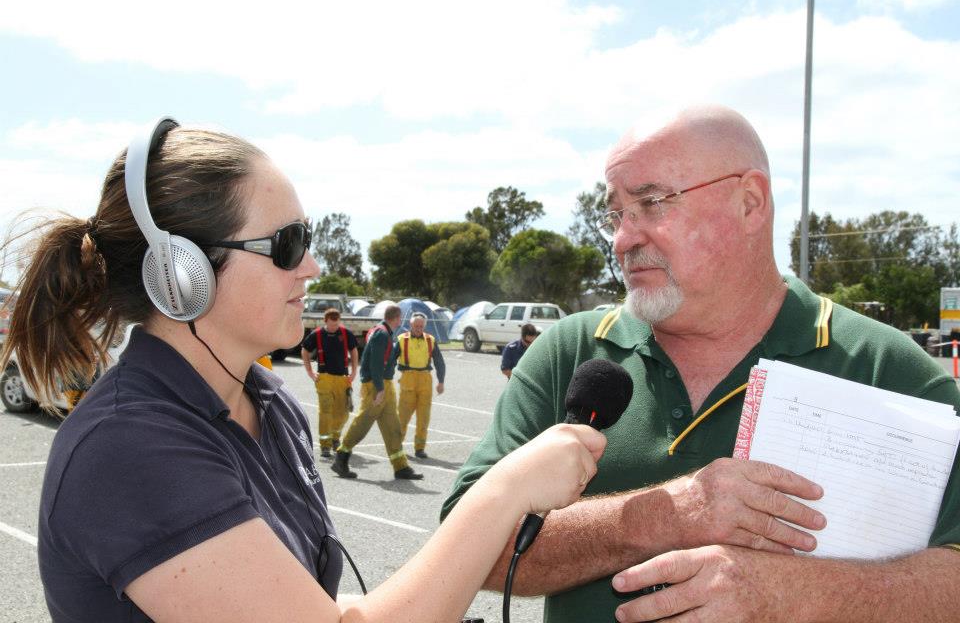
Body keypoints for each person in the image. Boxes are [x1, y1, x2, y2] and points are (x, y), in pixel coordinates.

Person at [1, 118, 607, 623]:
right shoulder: (129, 447)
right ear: (182, 271)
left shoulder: (267, 399)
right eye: (287, 243)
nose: (313, 265)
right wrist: (503, 492)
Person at [442, 105, 960, 622]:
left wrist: (796, 593)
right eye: (617, 214)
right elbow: (465, 547)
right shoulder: (571, 353)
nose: (625, 240)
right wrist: (662, 517)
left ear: (750, 202)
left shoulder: (886, 370)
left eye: (652, 203)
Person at [332, 305, 421, 479]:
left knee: (392, 426)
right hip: (377, 386)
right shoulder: (382, 334)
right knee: (364, 421)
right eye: (400, 318)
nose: (401, 321)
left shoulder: (380, 331)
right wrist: (380, 389)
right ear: (396, 318)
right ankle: (341, 456)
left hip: (383, 384)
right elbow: (375, 364)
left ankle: (400, 466)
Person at [301, 307, 359, 457]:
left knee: (343, 413)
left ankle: (335, 439)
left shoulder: (345, 333)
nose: (334, 328)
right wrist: (309, 372)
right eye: (331, 325)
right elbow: (305, 350)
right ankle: (325, 445)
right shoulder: (318, 334)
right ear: (325, 321)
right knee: (325, 412)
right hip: (324, 378)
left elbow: (354, 351)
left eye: (336, 324)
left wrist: (353, 372)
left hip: (342, 378)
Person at [395, 311, 445, 459]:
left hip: (425, 380)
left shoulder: (431, 340)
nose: (418, 328)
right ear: (410, 325)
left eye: (421, 326)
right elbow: (391, 359)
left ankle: (420, 448)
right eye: (416, 325)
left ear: (424, 326)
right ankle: (397, 447)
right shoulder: (401, 340)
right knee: (403, 416)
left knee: (424, 417)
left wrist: (441, 381)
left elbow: (439, 362)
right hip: (408, 378)